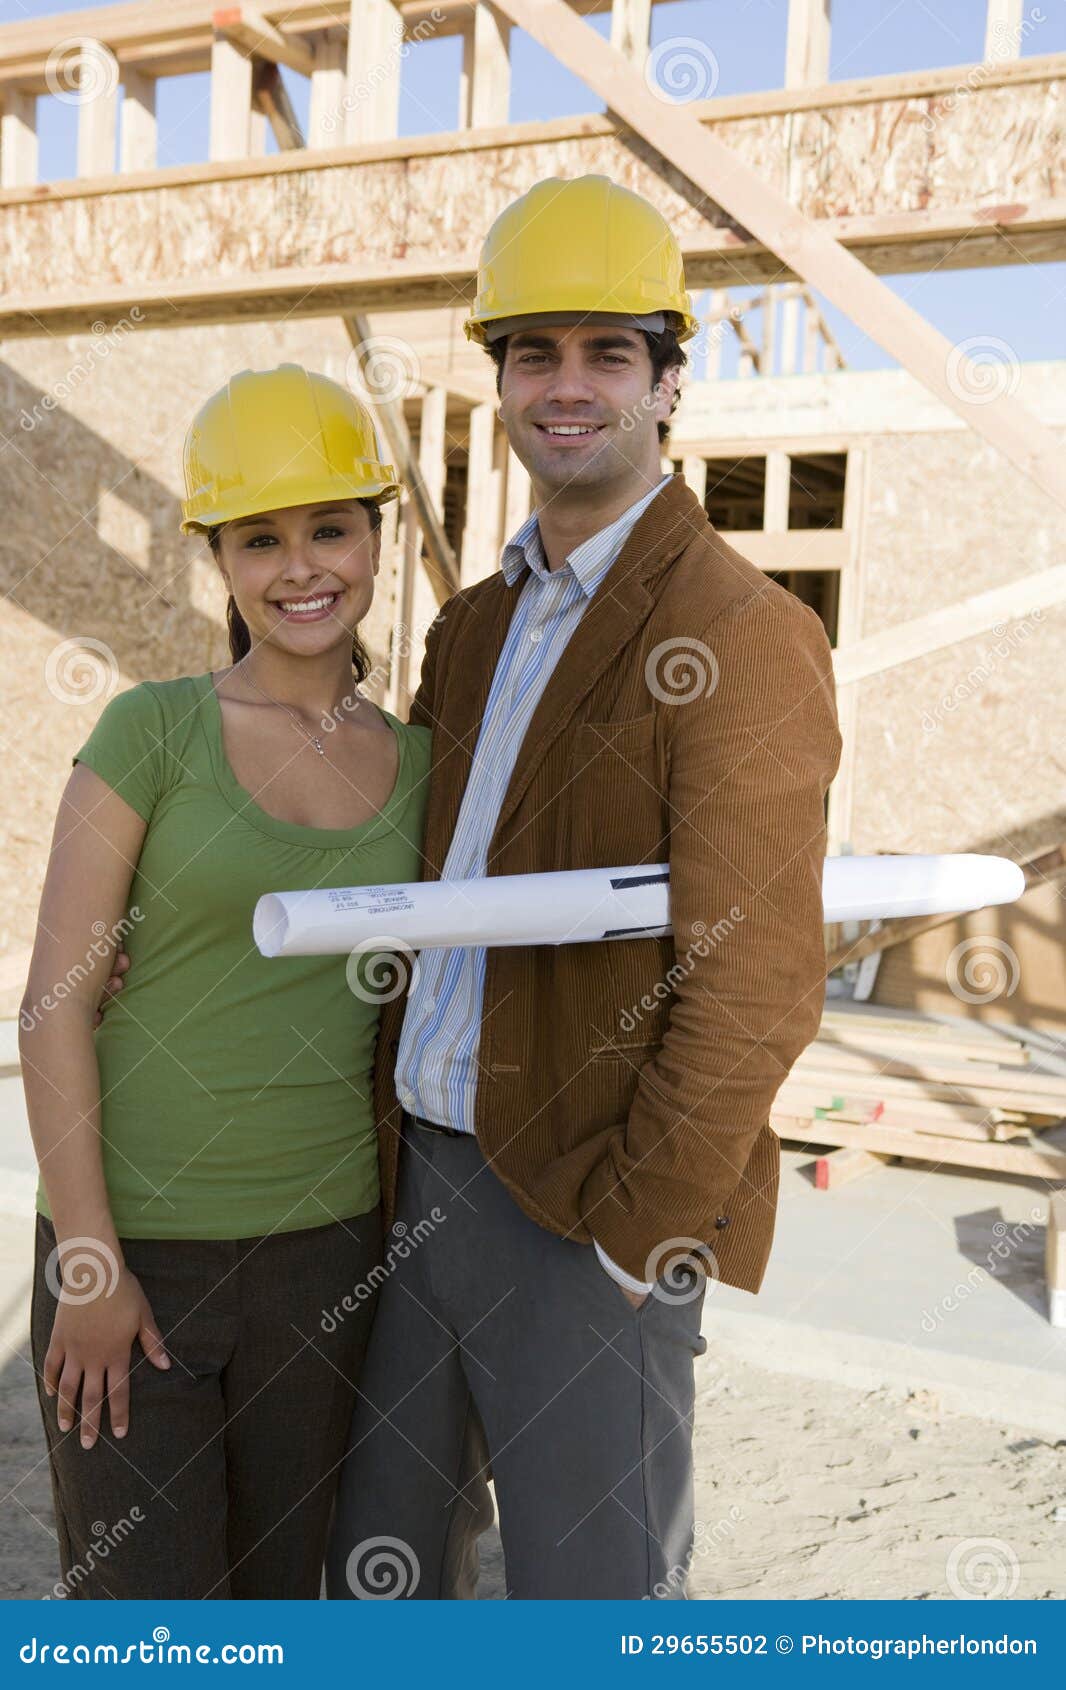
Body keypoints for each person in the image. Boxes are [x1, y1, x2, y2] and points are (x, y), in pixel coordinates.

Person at [323, 175, 844, 1601]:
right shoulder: (474, 626)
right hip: (421, 1171)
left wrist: (636, 1237)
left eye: (606, 353)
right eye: (531, 353)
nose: (565, 386)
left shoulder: (739, 632)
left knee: (592, 1601)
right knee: (385, 1579)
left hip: (588, 1208)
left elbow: (753, 980)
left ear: (667, 382)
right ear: (496, 378)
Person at [20, 364, 431, 1599]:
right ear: (220, 558)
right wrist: (87, 1257)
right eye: (261, 538)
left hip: (327, 1248)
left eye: (329, 529)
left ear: (374, 539)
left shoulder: (422, 767)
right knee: (143, 1620)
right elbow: (54, 1003)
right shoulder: (154, 732)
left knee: (277, 1600)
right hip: (137, 1249)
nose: (301, 567)